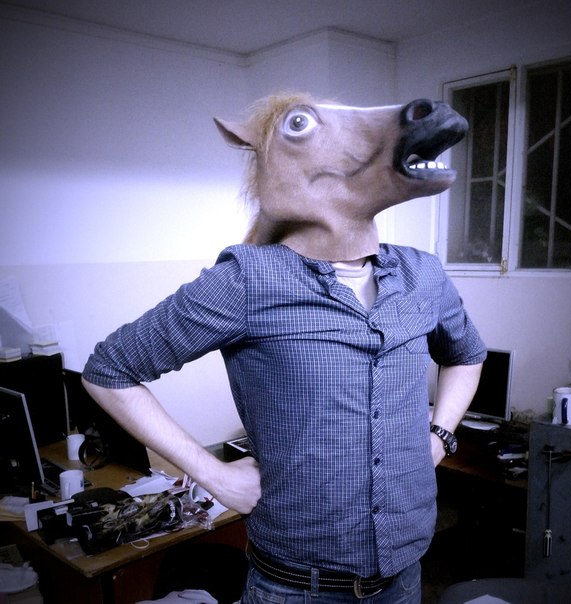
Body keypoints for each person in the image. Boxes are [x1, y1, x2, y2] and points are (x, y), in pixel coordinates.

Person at [82, 94, 485, 603]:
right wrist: (212, 475)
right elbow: (109, 370)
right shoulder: (246, 281)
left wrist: (440, 434)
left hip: (402, 580)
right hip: (295, 588)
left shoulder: (422, 274)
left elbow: (466, 354)